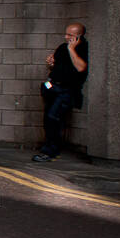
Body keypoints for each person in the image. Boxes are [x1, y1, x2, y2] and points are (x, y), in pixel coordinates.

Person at [33, 22, 88, 162]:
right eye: (66, 33)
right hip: (52, 87)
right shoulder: (62, 47)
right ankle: (48, 147)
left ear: (78, 36)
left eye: (70, 35)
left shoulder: (82, 48)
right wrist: (51, 63)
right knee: (48, 119)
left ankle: (50, 151)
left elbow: (81, 67)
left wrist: (71, 49)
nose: (66, 36)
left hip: (66, 90)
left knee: (53, 118)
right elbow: (55, 66)